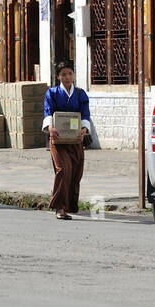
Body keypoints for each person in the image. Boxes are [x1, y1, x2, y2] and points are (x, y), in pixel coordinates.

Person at [43, 62, 91, 220]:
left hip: (76, 140)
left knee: (75, 172)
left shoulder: (80, 93)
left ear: (73, 75)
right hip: (57, 140)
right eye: (63, 74)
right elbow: (48, 111)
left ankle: (69, 205)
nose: (67, 77)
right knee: (63, 170)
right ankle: (59, 207)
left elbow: (85, 113)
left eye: (70, 73)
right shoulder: (52, 93)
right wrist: (50, 127)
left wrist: (84, 129)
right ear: (58, 76)